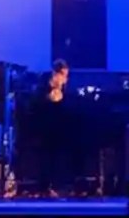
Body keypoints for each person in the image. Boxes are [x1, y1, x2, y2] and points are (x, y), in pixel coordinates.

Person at [35, 59, 77, 196]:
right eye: (64, 75)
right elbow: (37, 108)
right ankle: (46, 185)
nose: (66, 79)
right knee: (48, 155)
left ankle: (62, 184)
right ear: (56, 74)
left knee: (63, 152)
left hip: (60, 130)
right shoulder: (43, 89)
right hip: (45, 129)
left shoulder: (65, 91)